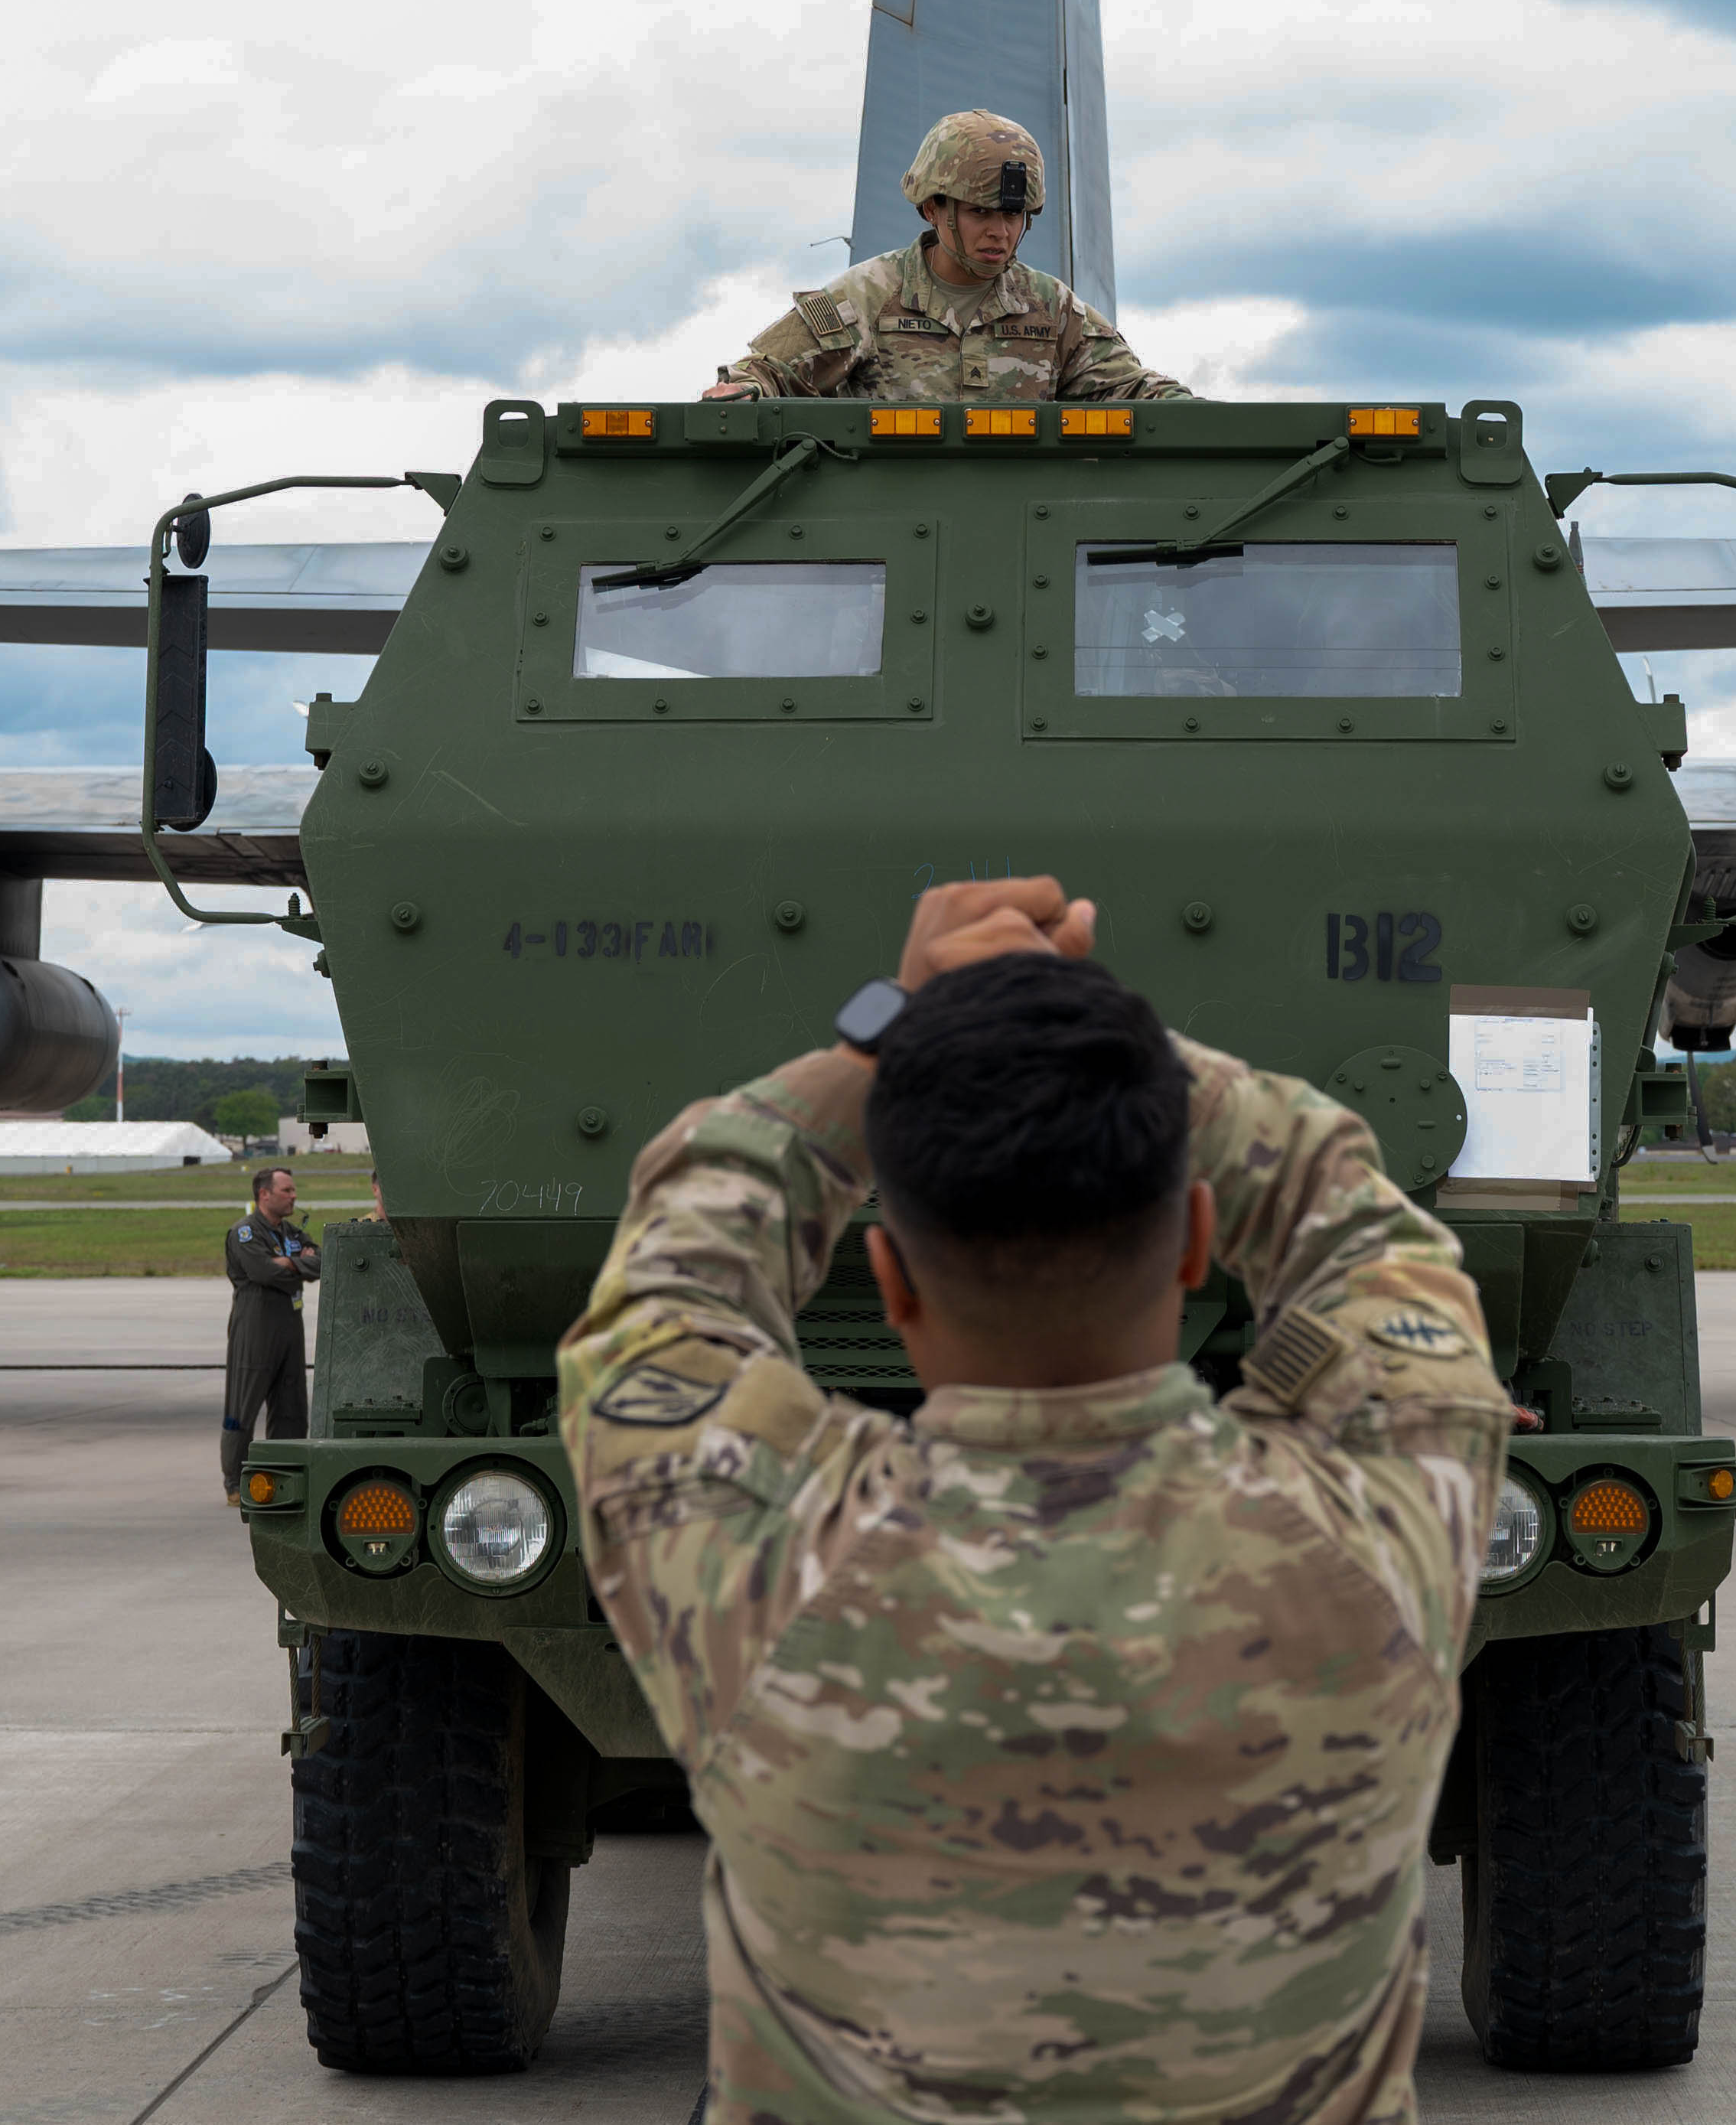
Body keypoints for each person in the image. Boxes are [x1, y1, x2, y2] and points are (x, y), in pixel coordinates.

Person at [559, 878, 1510, 2123]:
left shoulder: (762, 1554)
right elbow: (1359, 1223)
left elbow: (670, 1287)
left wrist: (905, 1029)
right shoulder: (1374, 1535)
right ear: (1193, 1239)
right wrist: (1087, 1030)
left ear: (888, 1276)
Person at [708, 111, 1185, 405]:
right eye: (981, 213)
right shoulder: (869, 295)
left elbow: (1127, 386)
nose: (1000, 232)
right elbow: (770, 371)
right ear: (933, 209)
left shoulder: (1051, 307)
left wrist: (1188, 406)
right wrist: (745, 389)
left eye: (1014, 215)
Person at [218, 1163, 324, 1489]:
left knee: (291, 1408)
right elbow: (263, 1272)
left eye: (294, 1190)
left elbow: (321, 1261)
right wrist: (298, 1266)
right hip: (255, 1328)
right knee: (242, 1407)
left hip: (290, 1328)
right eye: (287, 1191)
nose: (294, 1196)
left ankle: (284, 1478)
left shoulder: (291, 1233)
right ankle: (235, 1482)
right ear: (264, 1195)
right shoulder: (245, 1233)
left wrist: (290, 1262)